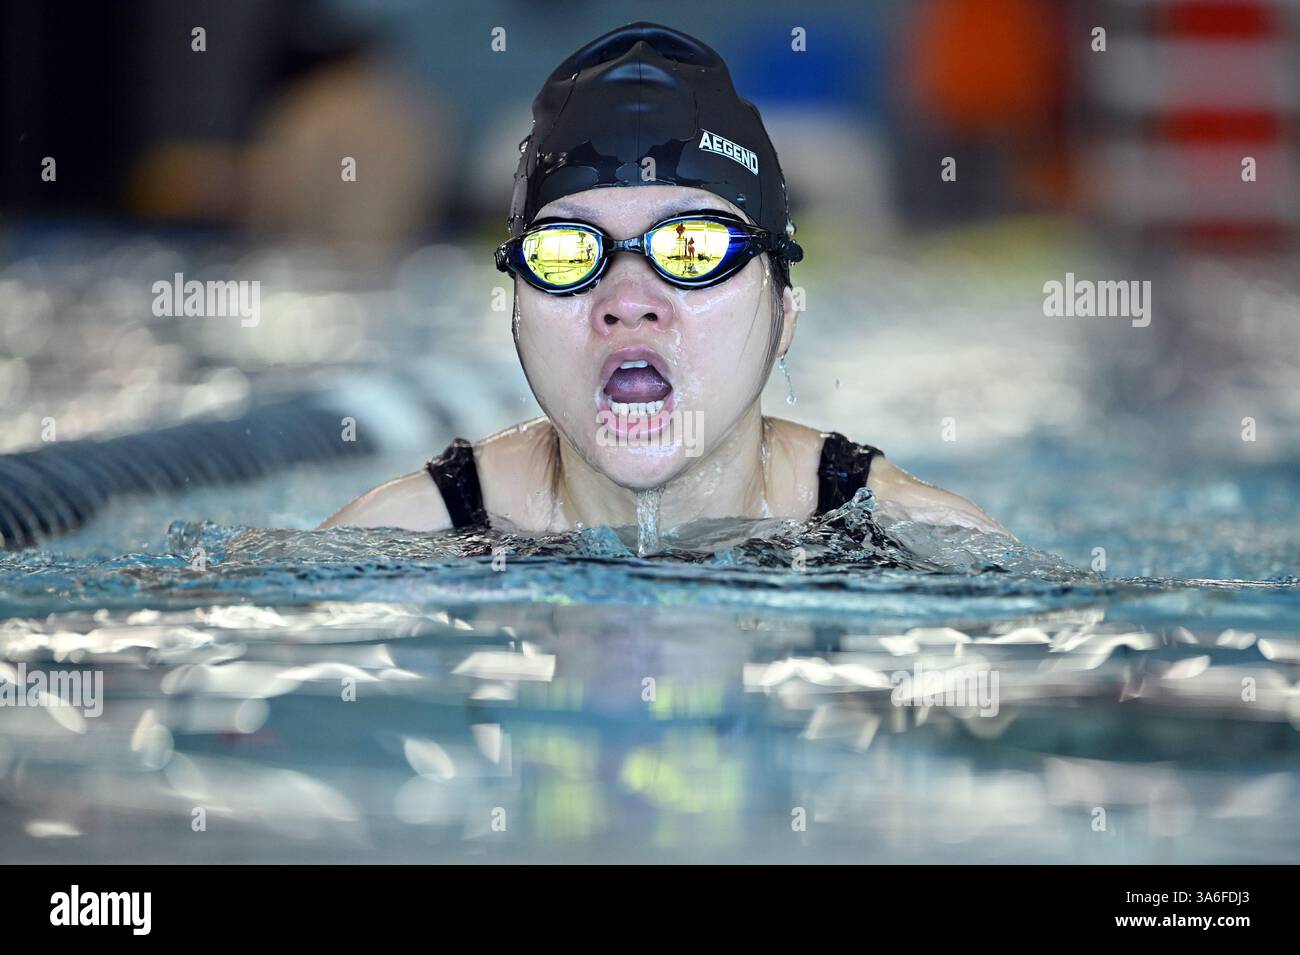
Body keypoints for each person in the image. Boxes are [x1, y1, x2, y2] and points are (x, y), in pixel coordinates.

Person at [324, 22, 1008, 538]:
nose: (627, 302)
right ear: (515, 307)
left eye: (692, 246)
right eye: (569, 250)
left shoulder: (911, 538)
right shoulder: (405, 535)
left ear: (786, 310)